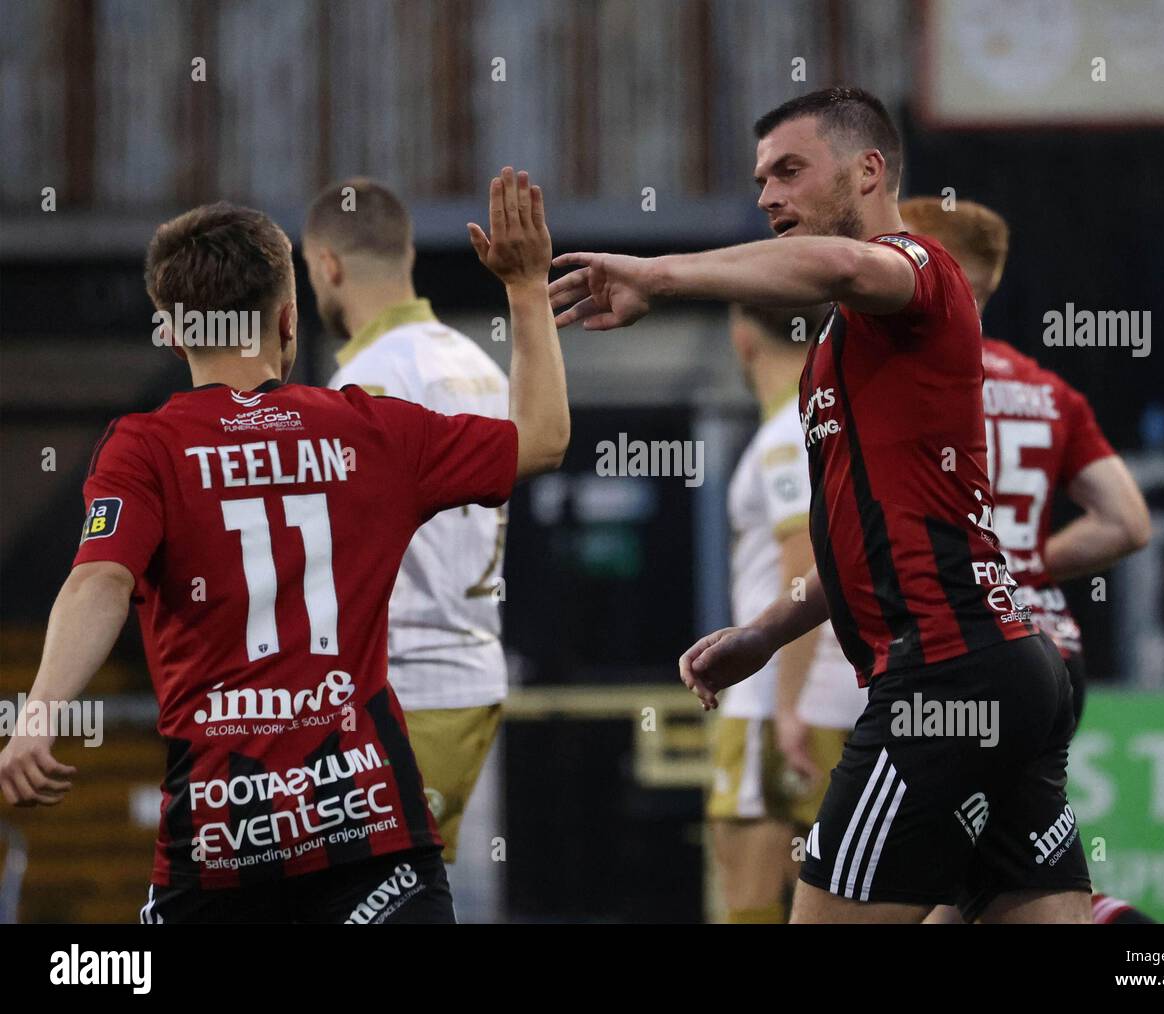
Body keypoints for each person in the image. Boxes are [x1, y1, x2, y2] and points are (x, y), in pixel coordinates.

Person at [549, 87, 1092, 924]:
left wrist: (657, 274)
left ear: (870, 171)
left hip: (943, 675)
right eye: (762, 178)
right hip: (1003, 670)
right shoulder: (836, 353)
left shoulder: (919, 268)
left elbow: (841, 266)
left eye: (791, 171)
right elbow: (856, 543)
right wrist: (764, 633)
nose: (768, 196)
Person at [0, 168, 567, 924]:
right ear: (289, 320)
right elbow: (543, 440)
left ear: (171, 333)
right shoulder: (371, 430)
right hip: (370, 840)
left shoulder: (143, 450)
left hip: (222, 847)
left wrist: (38, 714)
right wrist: (526, 289)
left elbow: (98, 579)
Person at [899, 196, 1156, 925]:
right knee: (985, 880)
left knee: (911, 873)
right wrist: (1022, 563)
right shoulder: (1048, 391)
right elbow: (1128, 523)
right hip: (1054, 656)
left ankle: (1107, 919)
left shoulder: (914, 382)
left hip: (962, 647)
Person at [303, 178, 510, 869]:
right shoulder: (480, 366)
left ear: (326, 264)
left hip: (407, 687)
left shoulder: (364, 388)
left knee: (370, 897)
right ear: (408, 252)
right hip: (467, 672)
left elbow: (338, 562)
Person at [707, 303, 866, 924]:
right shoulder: (828, 417)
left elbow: (804, 561)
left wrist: (787, 705)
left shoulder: (789, 432)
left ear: (741, 336)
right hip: (830, 693)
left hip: (772, 700)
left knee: (750, 902)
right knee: (835, 893)